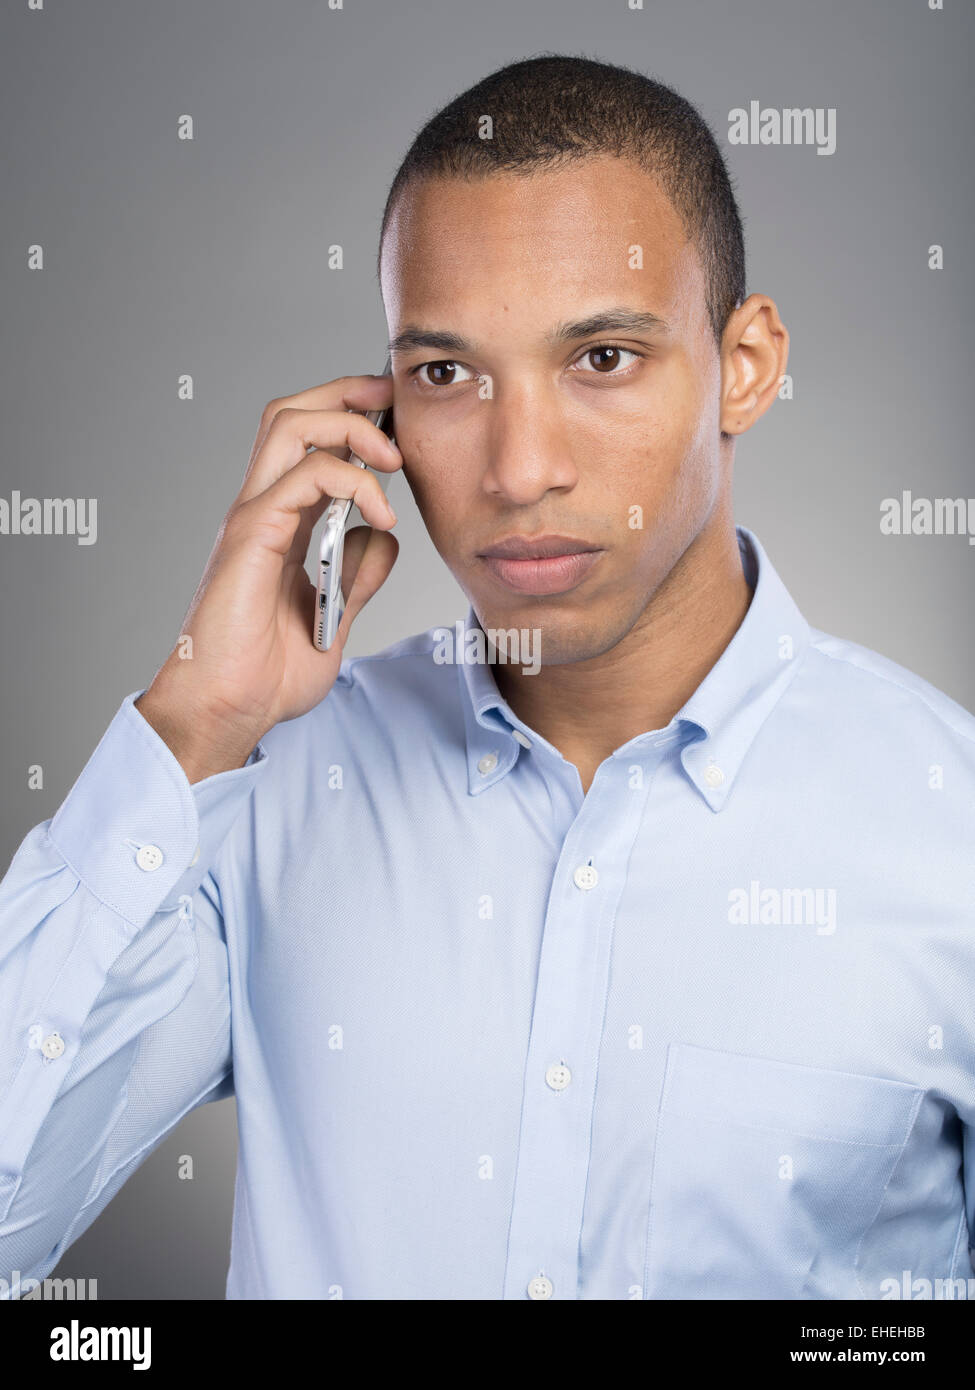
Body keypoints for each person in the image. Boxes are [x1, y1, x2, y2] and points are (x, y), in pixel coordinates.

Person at [1, 53, 973, 1302]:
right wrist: (193, 719)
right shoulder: (269, 790)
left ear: (745, 364)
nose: (520, 469)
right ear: (383, 409)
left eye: (604, 358)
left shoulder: (947, 828)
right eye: (449, 376)